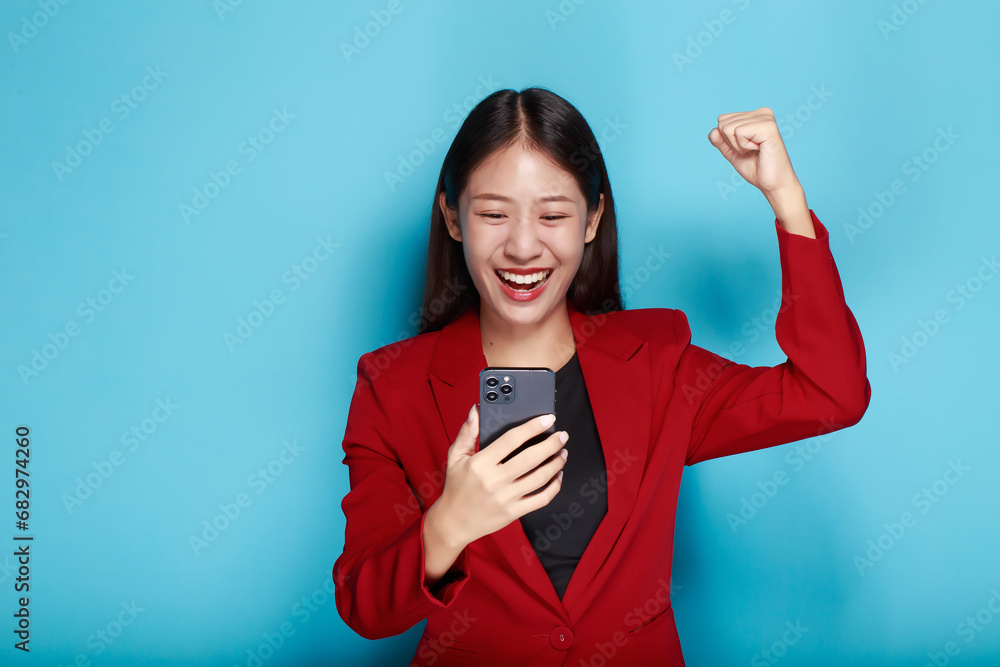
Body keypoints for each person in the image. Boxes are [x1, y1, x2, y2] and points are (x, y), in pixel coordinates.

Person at [333, 86, 871, 665]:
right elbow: (365, 608)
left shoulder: (658, 362)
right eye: (493, 214)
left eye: (553, 215)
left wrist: (786, 200)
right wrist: (450, 523)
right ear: (453, 218)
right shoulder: (390, 386)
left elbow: (830, 395)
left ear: (592, 220)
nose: (521, 246)